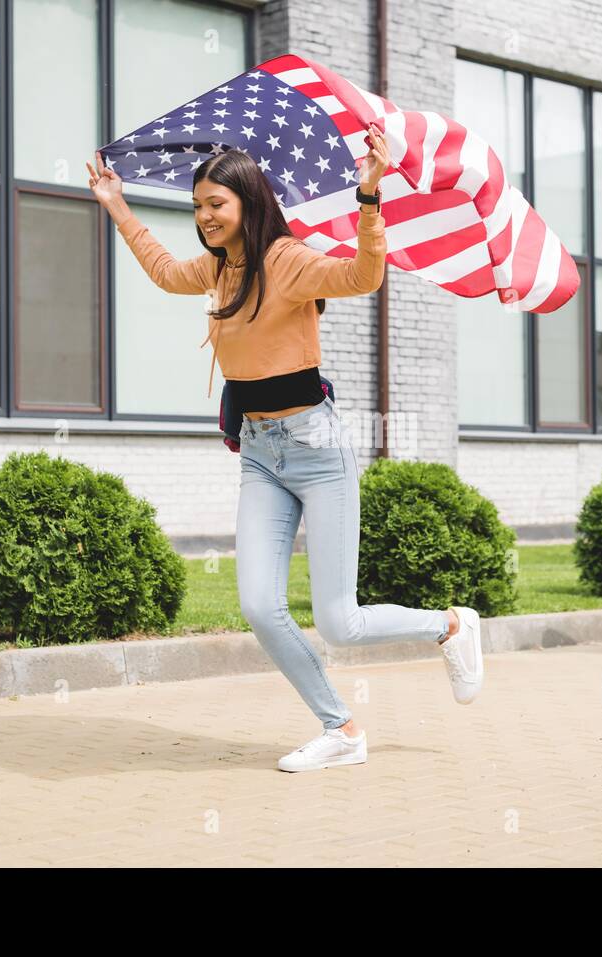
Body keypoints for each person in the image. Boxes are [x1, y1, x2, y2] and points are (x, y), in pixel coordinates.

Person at [85, 130, 484, 773]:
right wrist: (117, 204)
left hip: (318, 449)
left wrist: (369, 195)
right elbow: (163, 271)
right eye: (196, 207)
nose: (205, 217)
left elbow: (363, 274)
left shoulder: (287, 260)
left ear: (247, 199)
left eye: (216, 202)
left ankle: (451, 626)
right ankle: (342, 730)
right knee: (259, 608)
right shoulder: (217, 269)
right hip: (261, 452)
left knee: (339, 621)